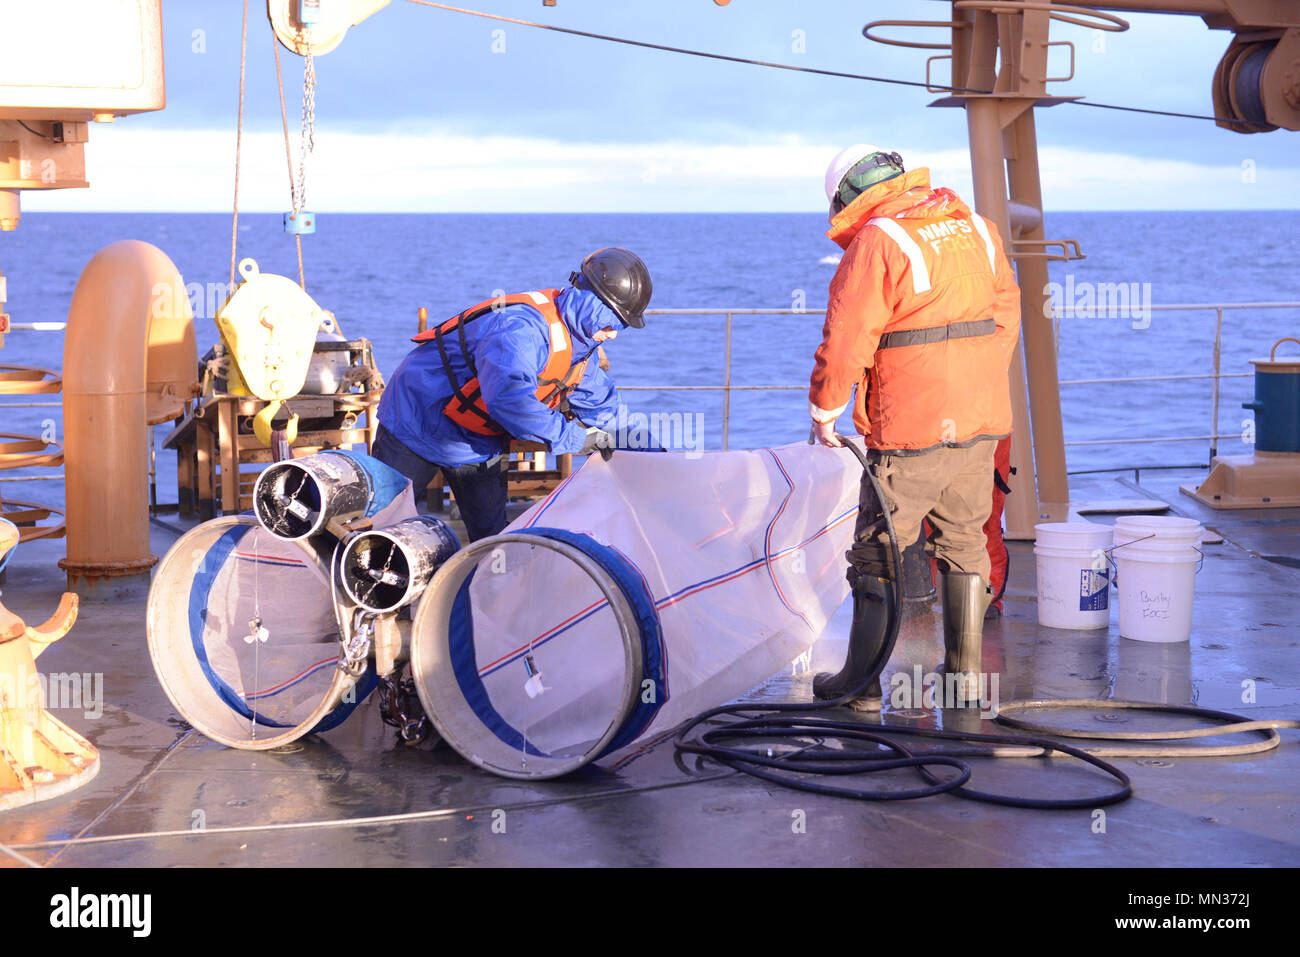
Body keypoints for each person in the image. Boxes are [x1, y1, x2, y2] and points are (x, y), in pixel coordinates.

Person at [807, 144, 1021, 709]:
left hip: (911, 429)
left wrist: (825, 412)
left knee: (879, 550)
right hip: (981, 422)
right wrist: (973, 383)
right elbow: (1006, 315)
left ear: (846, 195)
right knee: (965, 542)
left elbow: (847, 337)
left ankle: (859, 686)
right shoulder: (976, 225)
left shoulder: (880, 240)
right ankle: (964, 682)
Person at [374, 247, 652, 541]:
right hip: (416, 418)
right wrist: (577, 439)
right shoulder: (519, 329)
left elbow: (608, 412)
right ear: (590, 300)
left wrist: (655, 457)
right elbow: (509, 400)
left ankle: (477, 585)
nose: (613, 334)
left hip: (476, 440)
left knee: (492, 540)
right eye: (611, 322)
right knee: (385, 525)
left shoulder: (582, 349)